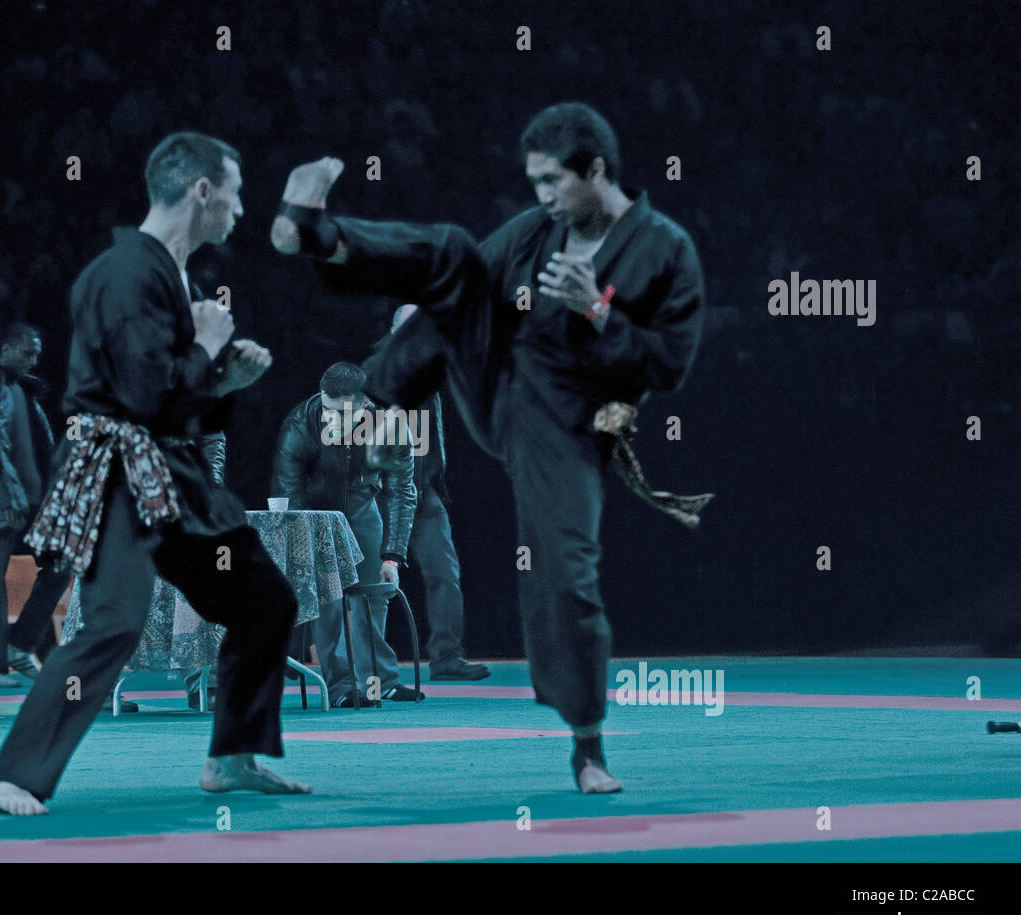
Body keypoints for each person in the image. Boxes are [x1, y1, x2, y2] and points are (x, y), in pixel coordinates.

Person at [271, 103, 709, 793]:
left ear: (596, 170)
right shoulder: (538, 230)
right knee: (451, 254)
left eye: (552, 182)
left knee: (567, 568)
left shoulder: (664, 247)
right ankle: (322, 236)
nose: (541, 197)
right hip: (500, 381)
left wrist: (598, 309)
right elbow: (470, 280)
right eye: (532, 182)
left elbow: (668, 364)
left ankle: (587, 747)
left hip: (567, 424)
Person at [0, 132, 310, 816]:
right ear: (203, 191)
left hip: (171, 472)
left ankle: (233, 756)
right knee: (114, 622)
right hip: (120, 468)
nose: (243, 209)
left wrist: (223, 378)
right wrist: (210, 343)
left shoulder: (171, 274)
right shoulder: (127, 272)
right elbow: (143, 394)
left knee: (264, 599)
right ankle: (10, 776)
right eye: (236, 193)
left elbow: (175, 399)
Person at [272, 362, 423, 707]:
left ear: (360, 404)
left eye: (340, 412)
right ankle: (340, 687)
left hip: (362, 512)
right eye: (327, 408)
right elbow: (287, 489)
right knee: (329, 601)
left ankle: (380, 681)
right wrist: (303, 544)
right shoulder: (300, 423)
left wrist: (393, 555)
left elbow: (401, 491)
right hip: (315, 517)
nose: (331, 418)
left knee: (374, 596)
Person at [368, 306, 491, 681]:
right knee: (370, 579)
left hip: (423, 493)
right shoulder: (374, 373)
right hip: (378, 495)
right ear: (393, 331)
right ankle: (367, 663)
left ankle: (447, 657)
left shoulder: (432, 366)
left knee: (444, 572)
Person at [0, 323, 72, 688]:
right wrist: (3, 497)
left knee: (62, 563)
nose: (35, 360)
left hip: (34, 499)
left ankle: (20, 645)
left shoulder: (20, 388)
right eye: (28, 352)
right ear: (6, 349)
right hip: (0, 497)